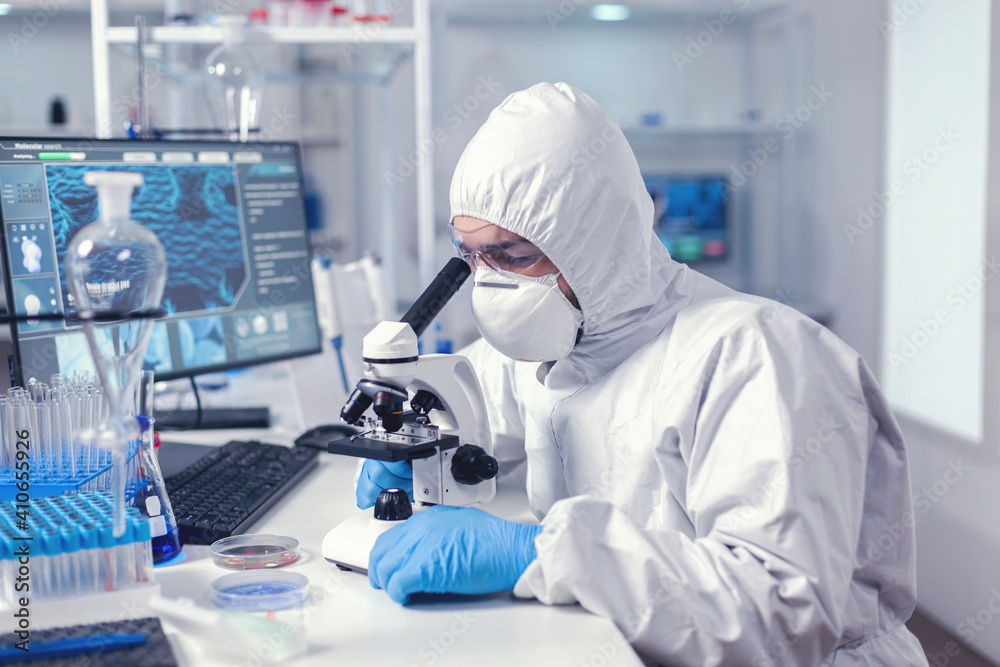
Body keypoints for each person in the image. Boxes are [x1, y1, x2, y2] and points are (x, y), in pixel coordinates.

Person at [357, 82, 928, 666]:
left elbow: (777, 616)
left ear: (594, 241)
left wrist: (536, 553)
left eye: (514, 254)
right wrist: (417, 450)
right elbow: (472, 401)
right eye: (472, 255)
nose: (491, 282)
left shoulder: (756, 355)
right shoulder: (558, 341)